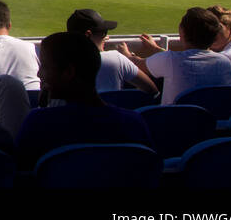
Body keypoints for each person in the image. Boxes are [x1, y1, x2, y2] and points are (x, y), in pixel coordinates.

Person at [15, 32, 154, 169]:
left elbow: (21, 173)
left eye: (45, 66)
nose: (39, 74)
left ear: (68, 72)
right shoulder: (134, 122)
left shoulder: (38, 123)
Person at [118, 7, 231, 105]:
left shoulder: (171, 60)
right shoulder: (225, 63)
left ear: (182, 32)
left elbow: (137, 64)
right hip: (209, 123)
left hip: (172, 123)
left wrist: (125, 54)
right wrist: (155, 49)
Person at [66, 9, 157, 96]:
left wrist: (99, 40)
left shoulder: (60, 62)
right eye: (104, 32)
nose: (107, 37)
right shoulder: (116, 58)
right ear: (88, 35)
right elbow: (152, 90)